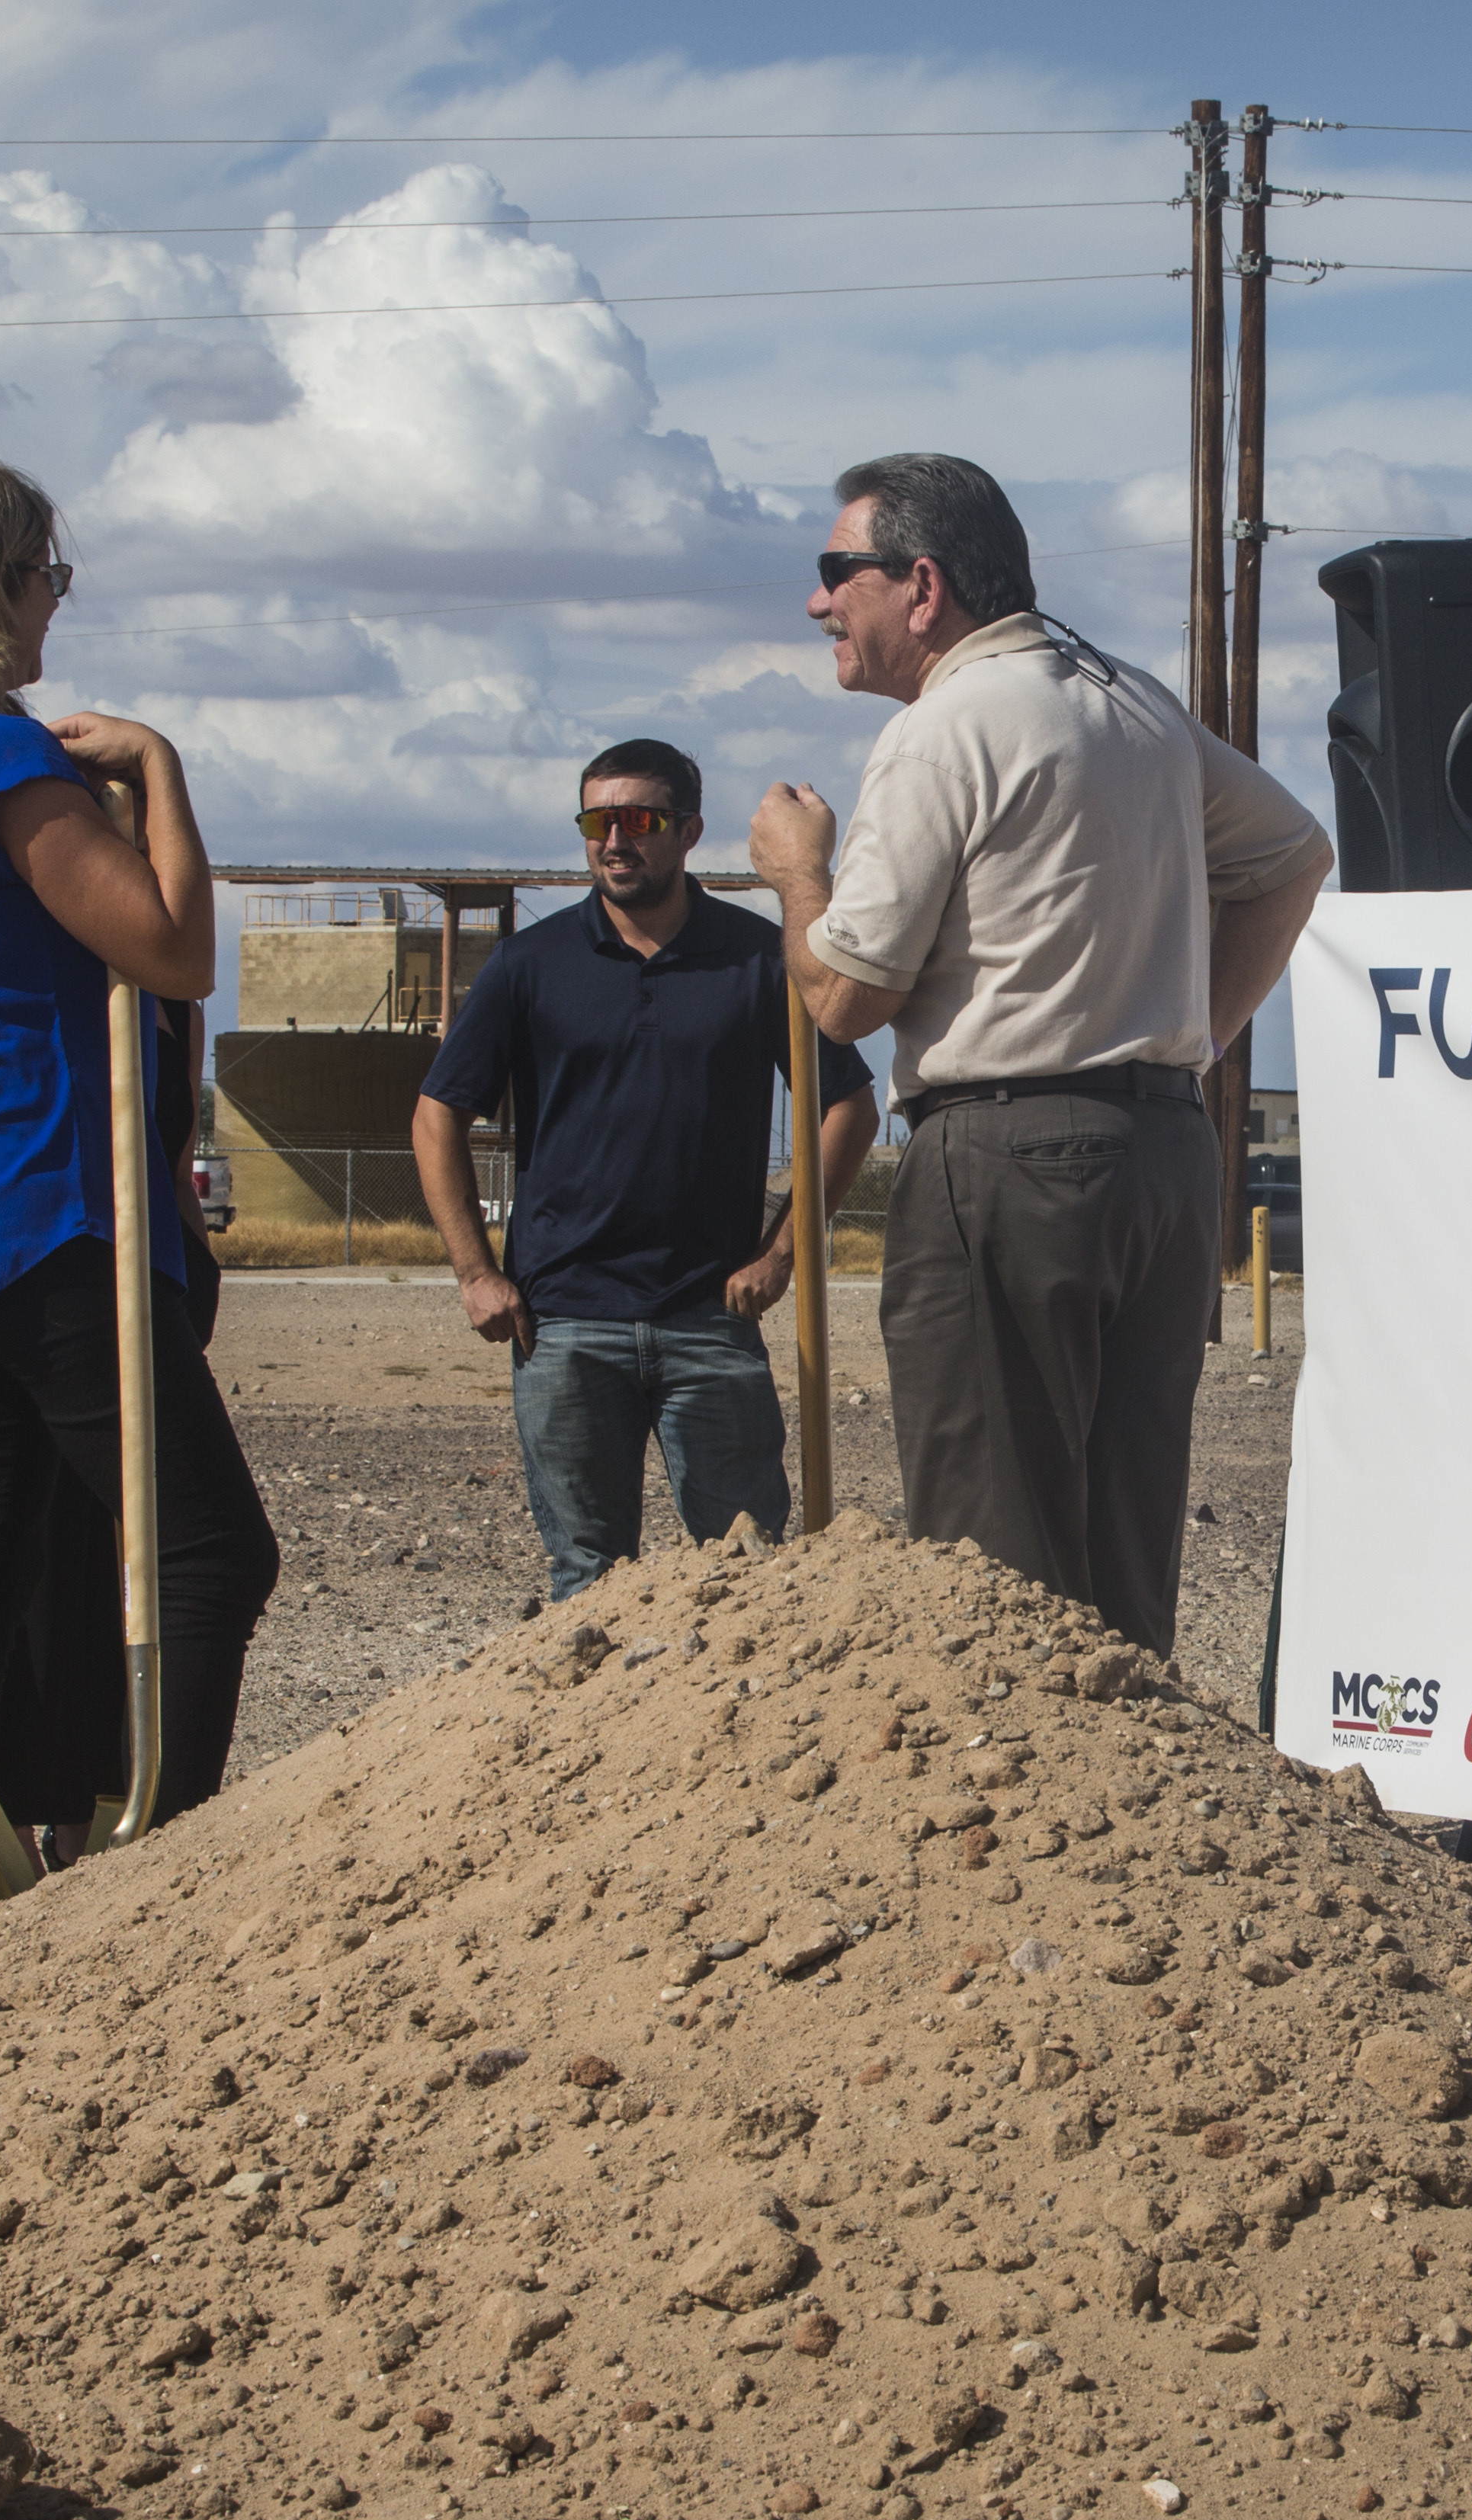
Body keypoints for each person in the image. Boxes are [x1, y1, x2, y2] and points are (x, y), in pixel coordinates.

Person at [752, 454, 1329, 1656]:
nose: (817, 604)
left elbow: (846, 999)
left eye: (833, 571)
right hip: (1165, 1156)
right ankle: (1133, 1817)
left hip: (1006, 1155)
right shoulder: (1130, 704)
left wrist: (800, 873)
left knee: (990, 1558)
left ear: (920, 586)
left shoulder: (943, 730)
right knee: (1125, 1548)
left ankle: (1016, 1819)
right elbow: (1291, 856)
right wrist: (1197, 1039)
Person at [0, 453, 277, 1943]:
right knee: (213, 1545)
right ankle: (168, 1863)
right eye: (45, 569)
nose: (56, 596)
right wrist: (160, 774)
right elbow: (167, 948)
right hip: (42, 1208)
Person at [412, 739, 878, 1598]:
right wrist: (475, 1271)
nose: (615, 839)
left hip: (709, 1318)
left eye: (639, 819)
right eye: (597, 819)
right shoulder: (530, 965)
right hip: (562, 1323)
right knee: (586, 1579)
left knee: (749, 1576)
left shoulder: (757, 959)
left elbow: (848, 1102)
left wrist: (780, 1252)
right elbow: (436, 1115)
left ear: (689, 829)